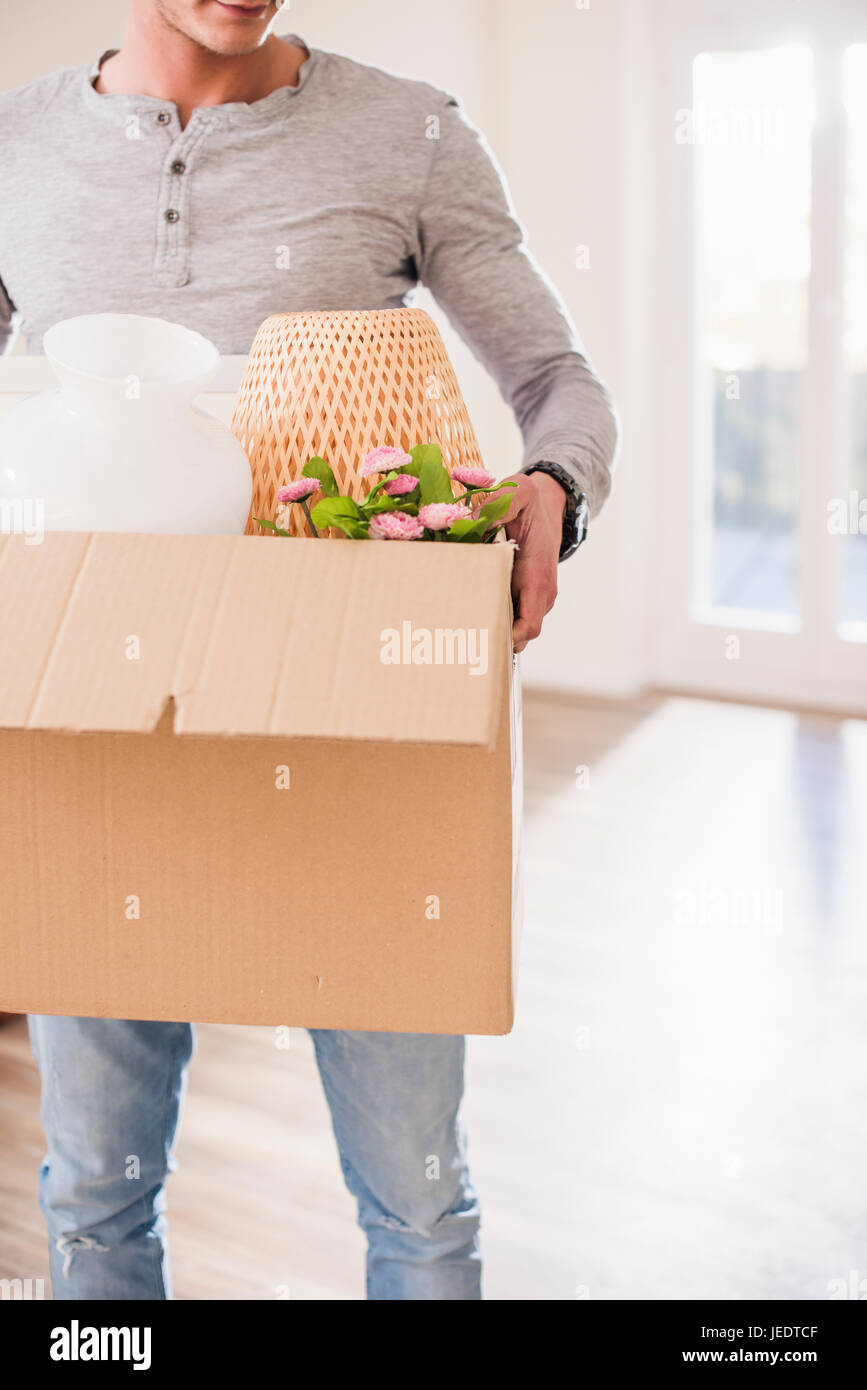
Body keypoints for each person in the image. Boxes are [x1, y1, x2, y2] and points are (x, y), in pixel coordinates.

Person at [0, 0, 617, 1300]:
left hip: (357, 746)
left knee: (420, 1204)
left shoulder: (407, 133)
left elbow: (556, 376)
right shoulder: (16, 145)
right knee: (92, 1205)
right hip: (101, 746)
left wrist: (556, 482)